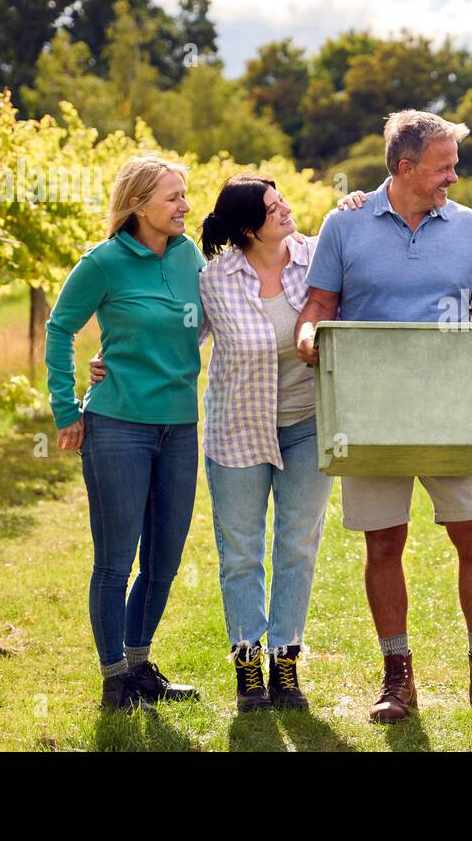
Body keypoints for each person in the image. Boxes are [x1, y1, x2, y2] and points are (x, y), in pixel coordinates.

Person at [295, 109, 472, 722]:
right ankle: (396, 678)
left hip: (452, 407)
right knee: (385, 542)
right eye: (443, 168)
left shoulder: (467, 228)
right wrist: (308, 336)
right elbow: (320, 302)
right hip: (370, 408)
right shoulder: (344, 224)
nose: (454, 179)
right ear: (405, 168)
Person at [90, 174, 332, 714]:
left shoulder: (317, 258)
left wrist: (360, 201)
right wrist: (115, 360)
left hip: (309, 426)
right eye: (273, 207)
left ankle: (285, 665)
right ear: (248, 227)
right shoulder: (214, 278)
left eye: (282, 200)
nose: (286, 209)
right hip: (238, 432)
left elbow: (356, 240)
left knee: (298, 547)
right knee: (241, 554)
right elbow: (175, 334)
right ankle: (249, 669)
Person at [46, 155, 205, 711]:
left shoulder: (190, 256)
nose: (185, 205)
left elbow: (212, 316)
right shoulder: (104, 262)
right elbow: (60, 326)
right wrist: (66, 410)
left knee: (164, 560)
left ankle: (140, 666)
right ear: (138, 205)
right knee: (116, 560)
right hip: (117, 427)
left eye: (184, 194)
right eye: (172, 197)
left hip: (180, 427)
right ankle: (114, 679)